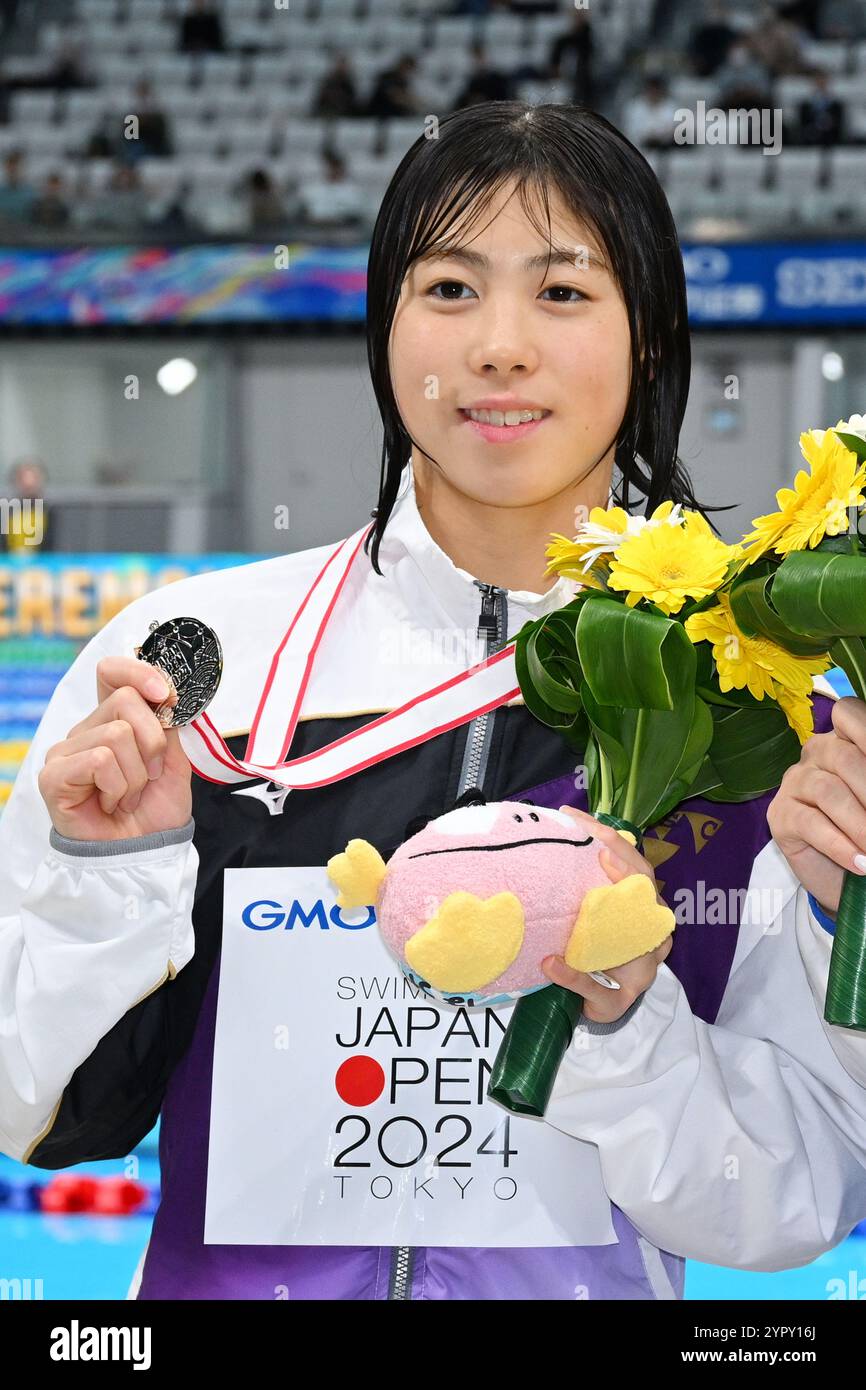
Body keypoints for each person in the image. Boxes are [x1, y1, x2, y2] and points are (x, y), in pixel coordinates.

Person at [1, 102, 866, 1302]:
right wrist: (109, 878)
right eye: (449, 288)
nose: (498, 346)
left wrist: (619, 1032)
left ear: (651, 338)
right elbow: (40, 1116)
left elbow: (793, 1193)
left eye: (561, 293)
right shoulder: (188, 663)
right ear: (385, 327)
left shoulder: (753, 712)